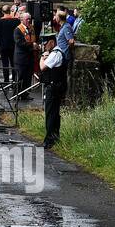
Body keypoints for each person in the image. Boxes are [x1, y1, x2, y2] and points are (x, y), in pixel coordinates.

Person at [41, 12, 75, 148]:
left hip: (54, 86)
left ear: (51, 42)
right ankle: (55, 136)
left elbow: (42, 67)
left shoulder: (55, 54)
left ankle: (49, 139)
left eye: (46, 42)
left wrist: (42, 56)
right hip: (58, 85)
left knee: (51, 113)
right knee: (55, 113)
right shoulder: (57, 53)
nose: (44, 44)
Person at [12, 12, 38, 101]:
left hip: (30, 57)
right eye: (27, 19)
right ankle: (16, 94)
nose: (29, 21)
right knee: (19, 77)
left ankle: (25, 94)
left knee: (28, 77)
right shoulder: (17, 30)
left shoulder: (31, 28)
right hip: (21, 58)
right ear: (22, 20)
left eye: (29, 19)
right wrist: (32, 45)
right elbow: (19, 43)